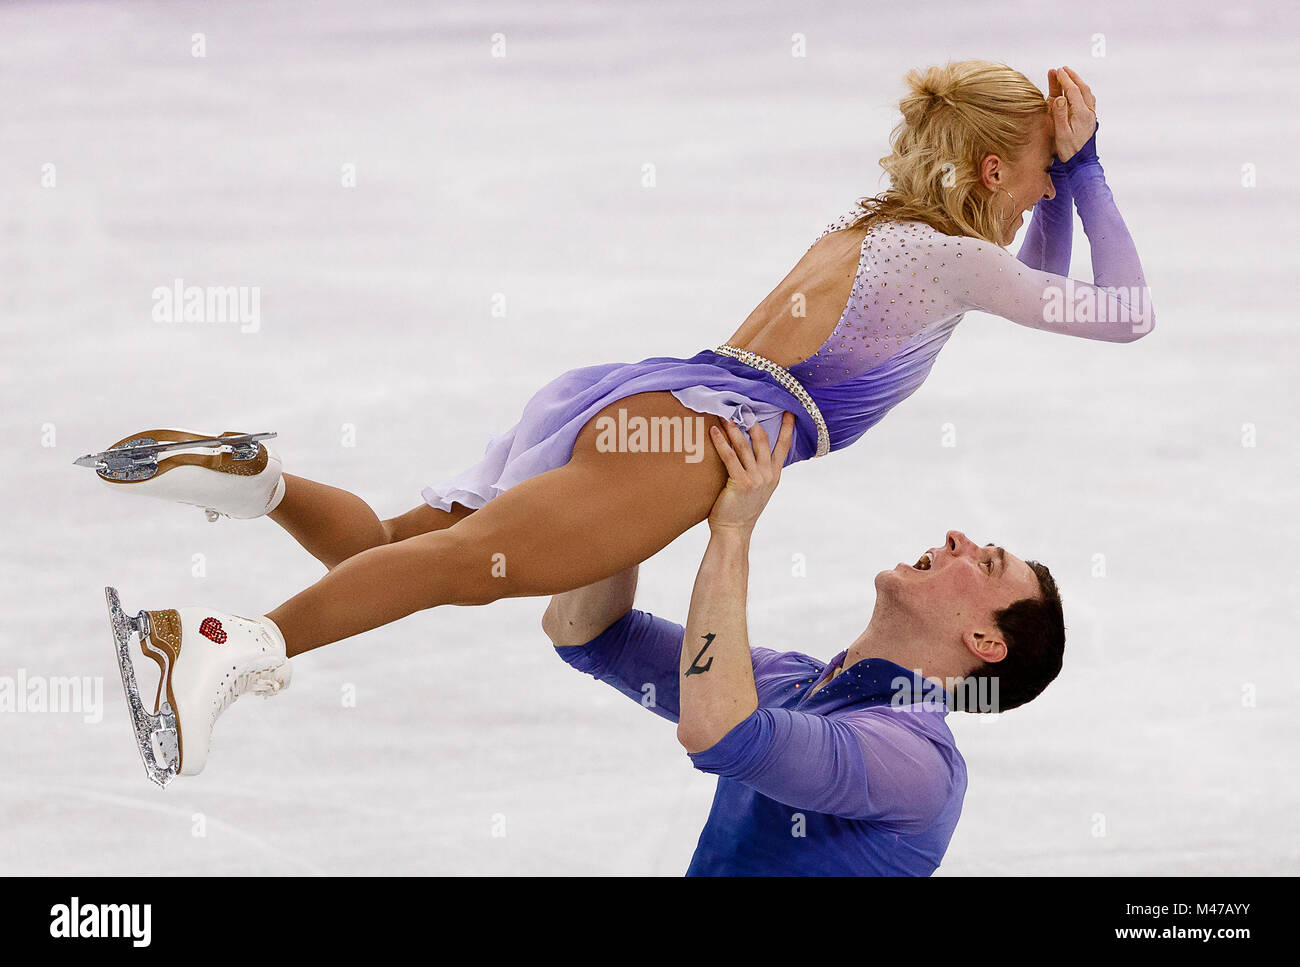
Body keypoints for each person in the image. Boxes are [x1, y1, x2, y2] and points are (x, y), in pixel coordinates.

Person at [84, 61, 1143, 782]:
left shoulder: (888, 227)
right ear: (994, 170)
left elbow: (1039, 282)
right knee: (462, 568)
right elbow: (1123, 312)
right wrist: (1090, 171)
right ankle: (216, 645)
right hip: (701, 441)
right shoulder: (952, 260)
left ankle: (255, 479)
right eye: (1038, 177)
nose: (1041, 196)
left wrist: (1058, 180)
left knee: (396, 547)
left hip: (644, 393)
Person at [543, 415, 1064, 875]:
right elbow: (588, 632)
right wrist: (627, 491)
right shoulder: (792, 680)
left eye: (986, 564)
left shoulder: (917, 762)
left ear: (984, 641)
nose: (956, 538)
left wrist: (733, 531)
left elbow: (719, 732)